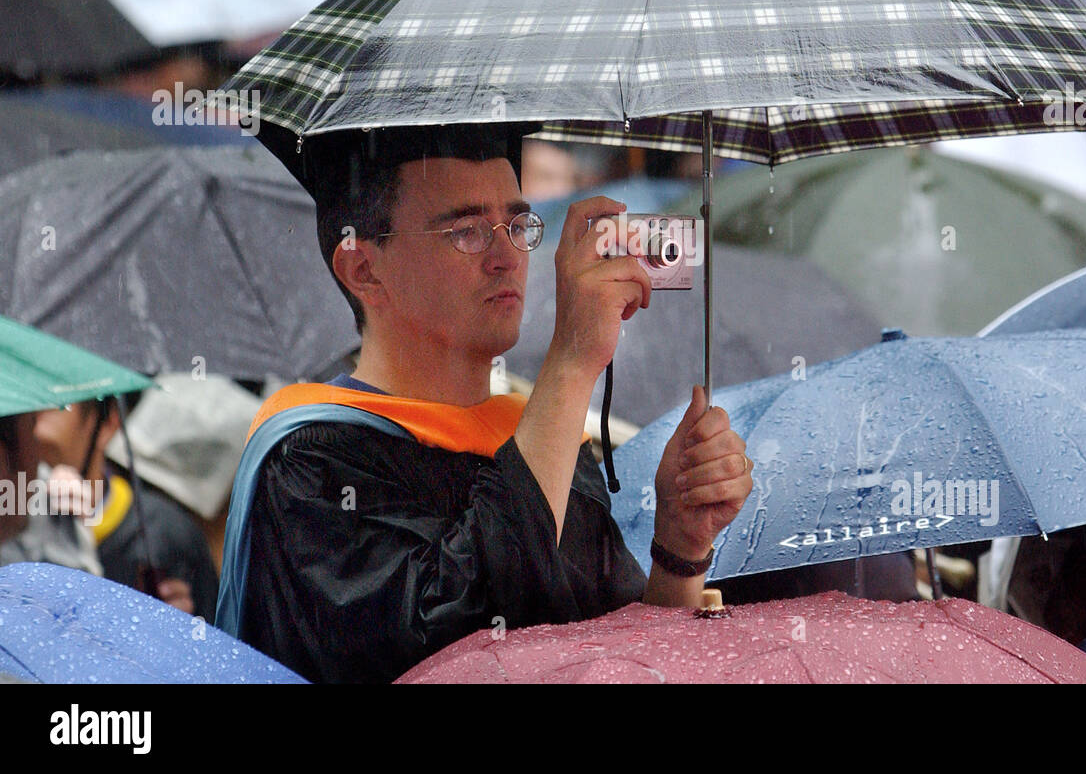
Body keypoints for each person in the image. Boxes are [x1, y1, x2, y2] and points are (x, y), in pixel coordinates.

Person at [217, 127, 753, 683]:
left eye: (518, 226)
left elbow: (617, 651)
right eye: (467, 231)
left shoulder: (542, 436)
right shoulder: (310, 460)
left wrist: (679, 551)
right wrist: (570, 363)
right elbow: (457, 652)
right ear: (364, 269)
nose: (507, 256)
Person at [28, 398, 219, 619]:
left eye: (52, 404)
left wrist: (177, 636)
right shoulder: (10, 532)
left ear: (108, 423)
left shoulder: (164, 534)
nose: (32, 425)